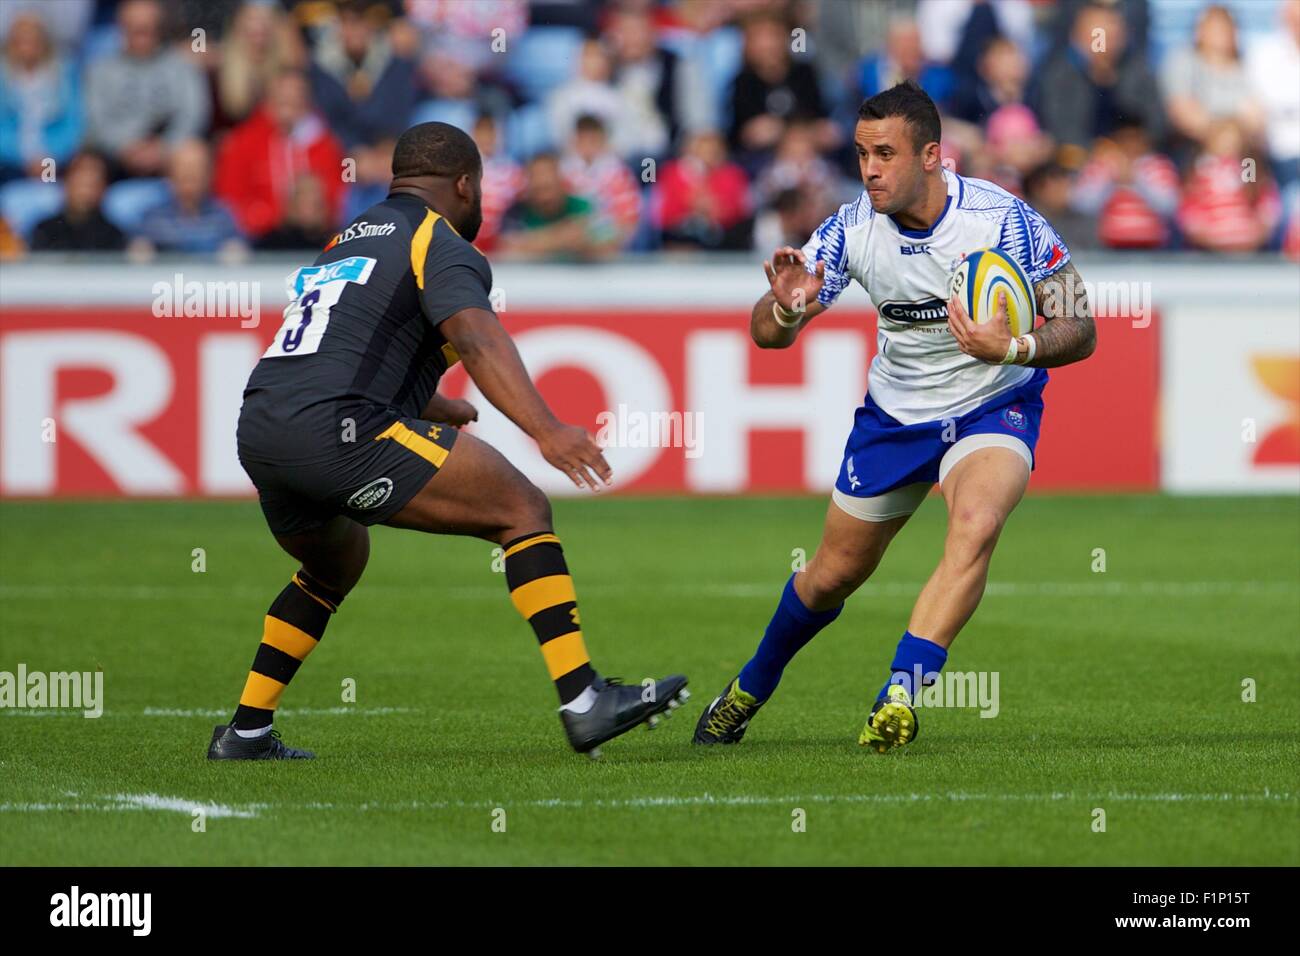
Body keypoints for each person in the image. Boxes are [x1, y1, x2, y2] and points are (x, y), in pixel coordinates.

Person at [210, 122, 687, 761]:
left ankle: (246, 732)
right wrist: (547, 430)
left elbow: (344, 349)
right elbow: (477, 338)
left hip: (263, 426)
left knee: (334, 562)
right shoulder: (440, 240)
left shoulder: (346, 238)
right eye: (482, 187)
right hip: (335, 427)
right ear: (465, 185)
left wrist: (436, 405)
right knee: (522, 511)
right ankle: (584, 700)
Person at [693, 82, 1095, 752]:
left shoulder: (1007, 221)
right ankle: (747, 689)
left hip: (994, 402)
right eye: (861, 154)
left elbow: (1080, 326)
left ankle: (899, 695)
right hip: (896, 417)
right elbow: (767, 332)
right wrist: (788, 308)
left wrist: (1014, 346)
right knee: (831, 575)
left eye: (885, 153)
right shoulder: (851, 229)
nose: (870, 169)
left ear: (932, 155)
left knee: (976, 525)